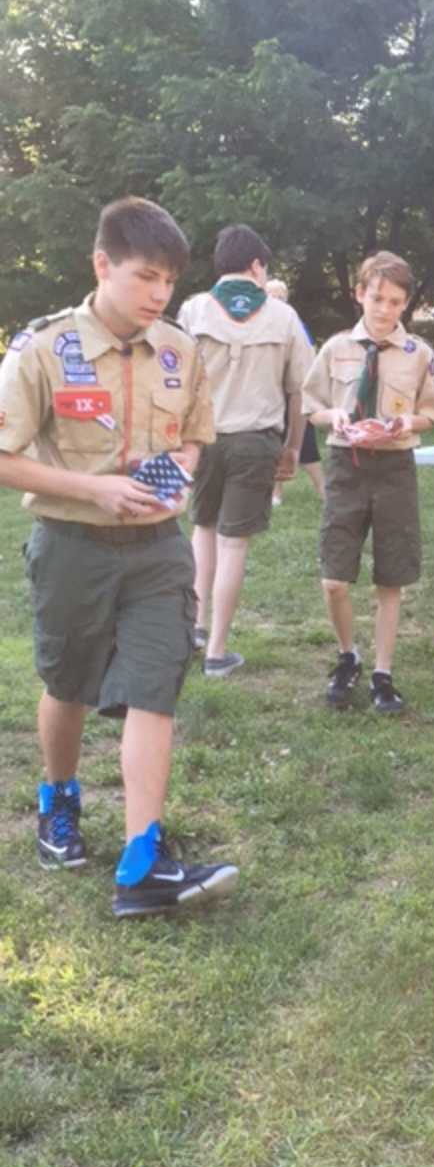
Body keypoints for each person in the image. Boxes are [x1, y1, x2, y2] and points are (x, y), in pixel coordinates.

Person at [0, 196, 238, 918]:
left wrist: (179, 472)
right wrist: (92, 489)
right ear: (102, 265)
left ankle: (142, 859)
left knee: (154, 685)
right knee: (68, 684)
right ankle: (59, 799)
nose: (159, 295)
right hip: (73, 545)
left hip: (158, 549)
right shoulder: (42, 349)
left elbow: (196, 435)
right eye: (144, 277)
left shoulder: (180, 349)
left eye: (169, 281)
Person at [301, 250, 434, 712]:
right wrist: (334, 416)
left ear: (405, 304)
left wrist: (407, 426)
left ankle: (383, 673)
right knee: (333, 579)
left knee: (391, 575)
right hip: (347, 466)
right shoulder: (336, 348)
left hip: (395, 469)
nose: (385, 309)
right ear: (360, 294)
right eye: (377, 298)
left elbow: (431, 412)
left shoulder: (417, 353)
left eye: (396, 301)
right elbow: (311, 405)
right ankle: (348, 656)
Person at [179, 226, 312, 677]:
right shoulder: (283, 316)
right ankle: (217, 652)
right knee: (233, 544)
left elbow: (173, 380)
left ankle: (195, 629)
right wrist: (292, 448)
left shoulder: (193, 309)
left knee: (203, 529)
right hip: (256, 440)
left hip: (203, 437)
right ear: (257, 265)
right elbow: (299, 392)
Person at [265, 277, 324, 505]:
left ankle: (323, 490)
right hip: (272, 393)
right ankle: (275, 493)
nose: (276, 300)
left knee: (306, 444)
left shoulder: (296, 324)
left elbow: (309, 358)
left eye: (280, 296)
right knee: (275, 442)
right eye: (271, 296)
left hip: (297, 393)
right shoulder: (260, 324)